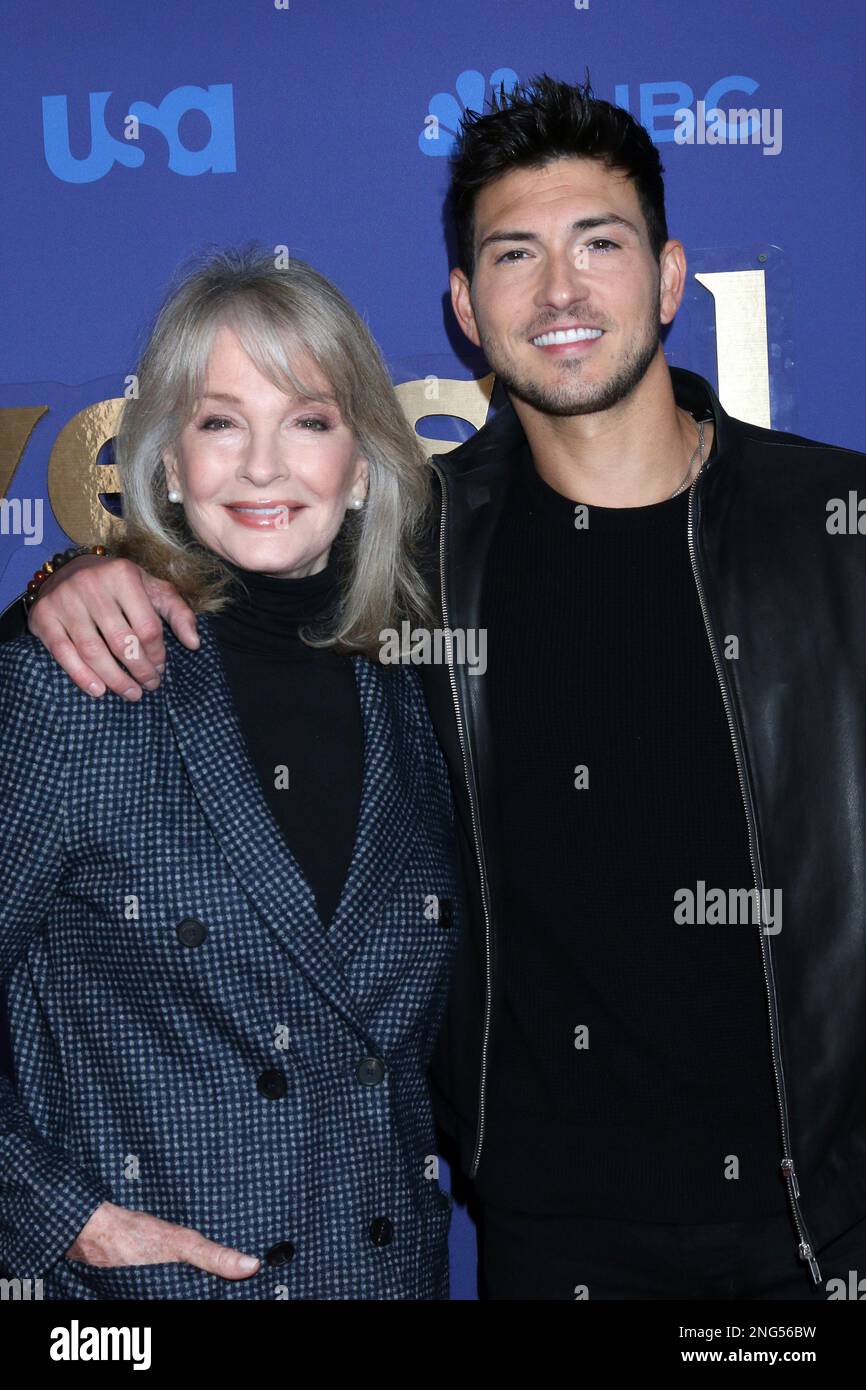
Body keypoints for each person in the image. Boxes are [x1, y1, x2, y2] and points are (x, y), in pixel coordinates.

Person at [5, 75, 866, 1301]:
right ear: (465, 308)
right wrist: (62, 581)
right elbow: (241, 573)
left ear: (671, 280)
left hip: (819, 1231)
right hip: (543, 1241)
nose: (560, 292)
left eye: (598, 245)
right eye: (515, 254)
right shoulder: (428, 558)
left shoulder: (837, 530)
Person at [0, 246, 462, 1300]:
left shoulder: (418, 687)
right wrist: (58, 1215)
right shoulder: (78, 685)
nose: (262, 466)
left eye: (307, 420)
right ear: (164, 463)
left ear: (361, 465)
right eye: (219, 423)